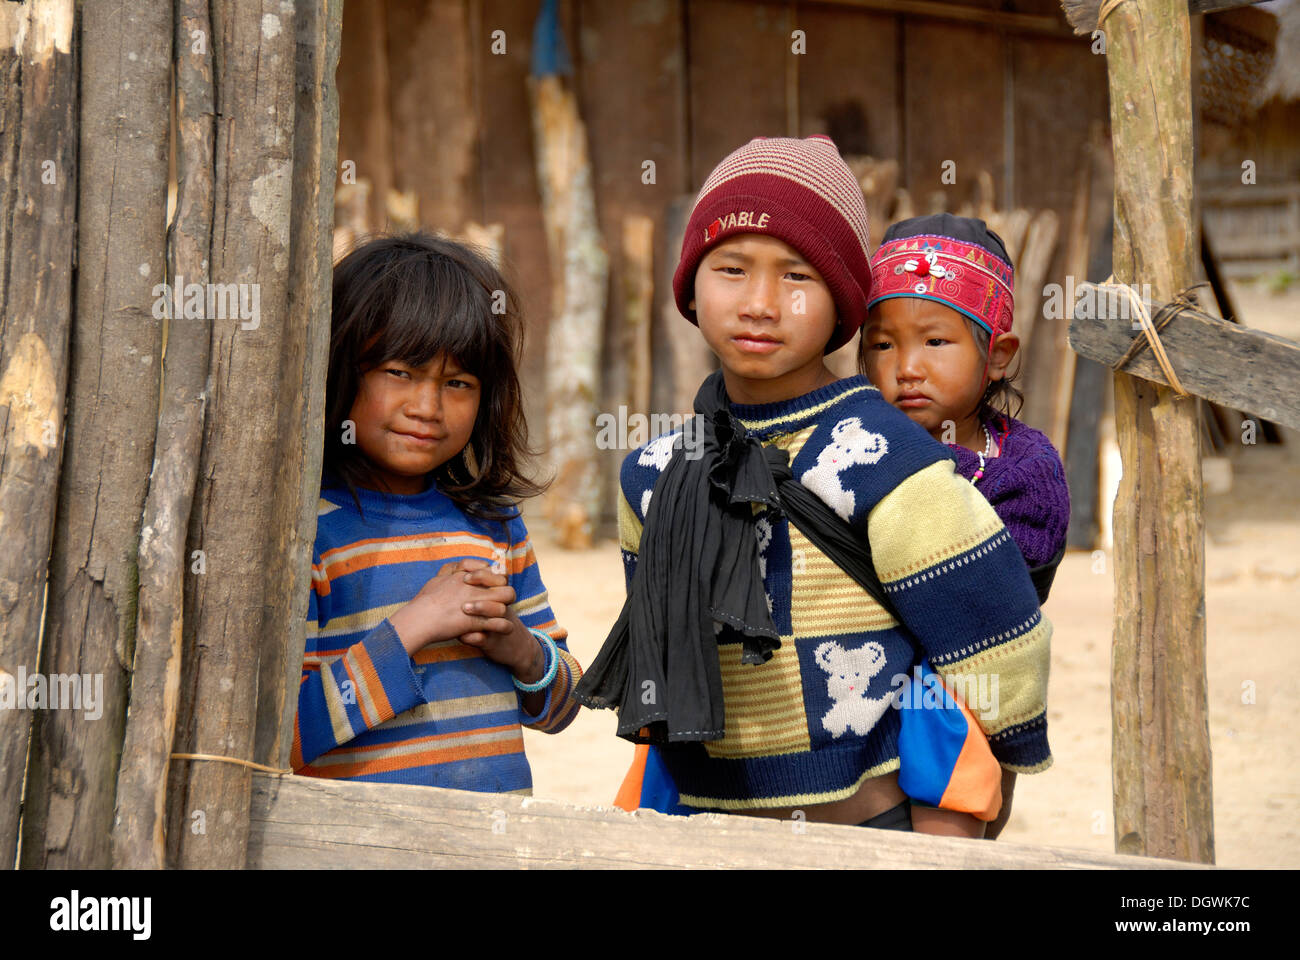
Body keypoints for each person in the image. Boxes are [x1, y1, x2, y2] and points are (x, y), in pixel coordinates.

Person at [584, 135, 1052, 836]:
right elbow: (667, 659)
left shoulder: (891, 460)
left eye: (797, 277)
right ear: (688, 288)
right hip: (704, 836)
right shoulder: (651, 477)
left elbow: (997, 643)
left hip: (868, 832)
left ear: (842, 307)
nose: (760, 303)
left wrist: (972, 816)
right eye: (732, 268)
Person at [292, 233, 582, 793]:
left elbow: (562, 706)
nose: (426, 408)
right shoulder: (308, 535)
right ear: (338, 367)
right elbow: (286, 738)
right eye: (399, 372)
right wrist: (411, 628)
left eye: (457, 384)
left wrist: (520, 648)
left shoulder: (495, 525)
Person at [858, 213, 1071, 837]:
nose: (906, 367)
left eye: (936, 341)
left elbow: (1003, 592)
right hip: (863, 683)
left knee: (951, 828)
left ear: (998, 355)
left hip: (971, 688)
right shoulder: (855, 441)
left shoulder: (1025, 468)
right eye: (882, 343)